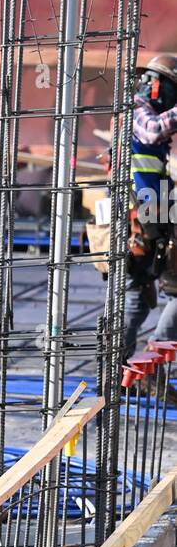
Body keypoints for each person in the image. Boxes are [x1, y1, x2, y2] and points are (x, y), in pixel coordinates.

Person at [122, 53, 177, 356]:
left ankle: (141, 367)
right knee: (135, 298)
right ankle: (118, 374)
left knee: (146, 296)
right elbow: (153, 129)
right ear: (156, 85)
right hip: (136, 219)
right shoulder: (136, 109)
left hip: (154, 211)